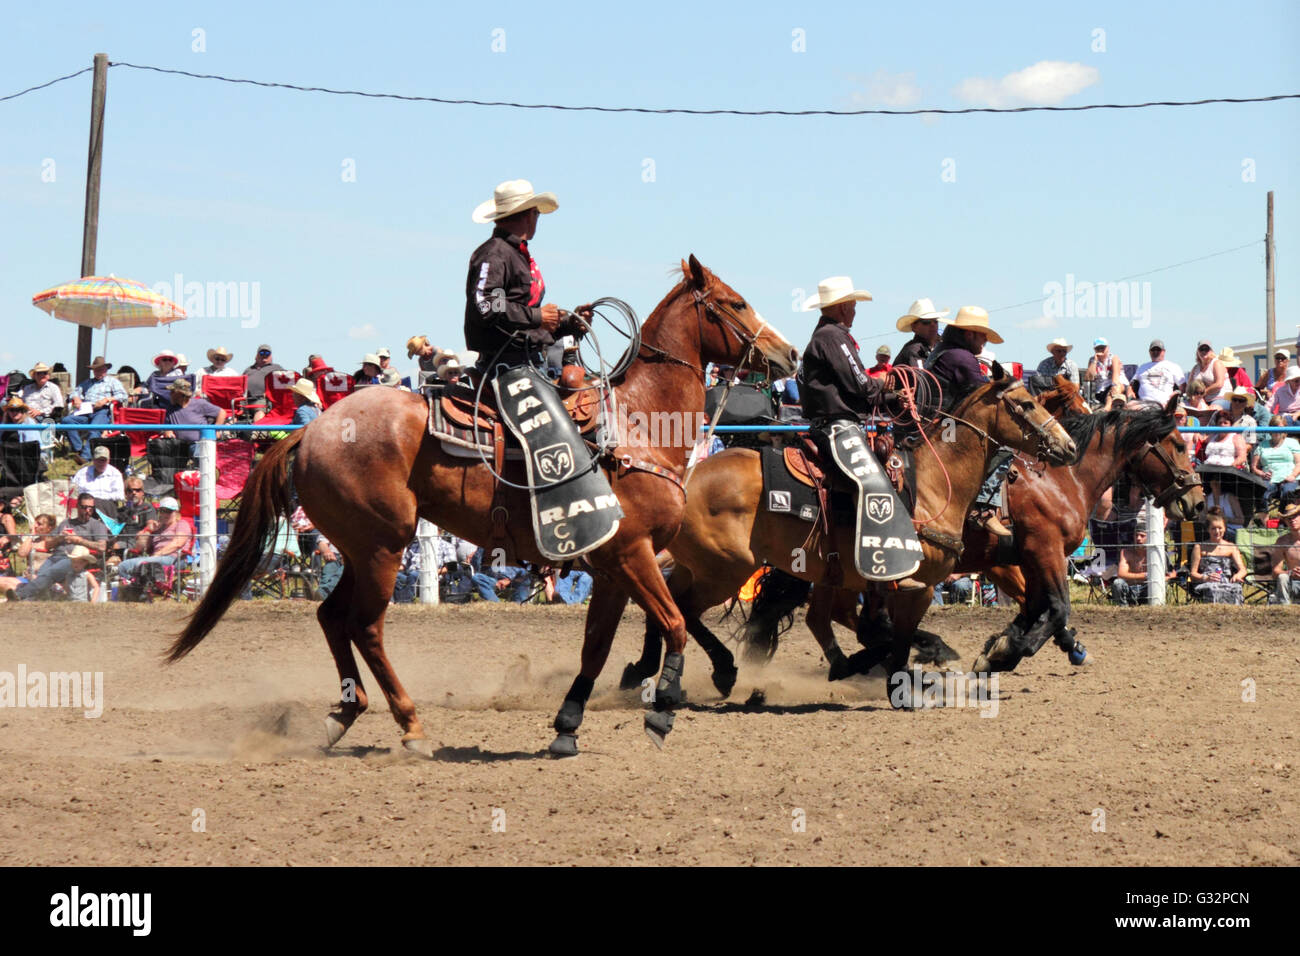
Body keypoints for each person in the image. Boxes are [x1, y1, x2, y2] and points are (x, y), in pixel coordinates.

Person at [926, 305, 1011, 536]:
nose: (985, 340)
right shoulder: (962, 357)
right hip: (947, 427)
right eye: (982, 335)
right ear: (969, 333)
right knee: (1005, 447)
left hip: (937, 422)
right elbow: (985, 395)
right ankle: (982, 507)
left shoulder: (943, 351)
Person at [7, 494, 108, 600]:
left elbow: (102, 547)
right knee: (41, 575)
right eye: (84, 507)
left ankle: (19, 595)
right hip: (55, 556)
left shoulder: (97, 525)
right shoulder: (67, 522)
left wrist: (78, 540)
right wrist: (60, 538)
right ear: (77, 506)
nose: (87, 510)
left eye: (91, 508)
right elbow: (48, 543)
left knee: (49, 573)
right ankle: (27, 600)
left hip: (74, 558)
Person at [116, 496, 193, 594]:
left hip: (174, 558)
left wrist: (158, 554)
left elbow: (178, 543)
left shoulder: (181, 524)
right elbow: (140, 548)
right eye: (162, 510)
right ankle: (136, 588)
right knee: (122, 566)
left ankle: (142, 590)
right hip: (154, 559)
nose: (165, 514)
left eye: (168, 511)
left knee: (143, 564)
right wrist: (149, 531)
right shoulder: (158, 528)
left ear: (176, 512)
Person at [63, 356, 128, 463]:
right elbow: (75, 392)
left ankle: (85, 457)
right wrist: (76, 398)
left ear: (106, 369)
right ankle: (79, 449)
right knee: (67, 421)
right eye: (96, 369)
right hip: (86, 410)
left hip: (102, 411)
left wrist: (106, 399)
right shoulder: (87, 382)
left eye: (101, 369)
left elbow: (123, 395)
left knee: (95, 429)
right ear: (93, 370)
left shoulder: (112, 381)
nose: (99, 372)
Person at [1189, 506, 1246, 603]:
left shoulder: (1231, 547)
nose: (1217, 532)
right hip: (1207, 582)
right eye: (1213, 528)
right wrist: (1205, 578)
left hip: (1226, 582)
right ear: (1208, 530)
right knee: (1214, 589)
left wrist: (1237, 576)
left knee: (1236, 589)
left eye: (1220, 528)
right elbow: (1193, 573)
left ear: (1225, 528)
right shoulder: (1199, 547)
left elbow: (1243, 569)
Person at [1110, 527, 1177, 605]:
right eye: (1136, 535)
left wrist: (1161, 578)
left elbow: (1172, 574)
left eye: (1142, 536)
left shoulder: (1158, 553)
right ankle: (1123, 608)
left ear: (1149, 537)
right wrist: (1145, 575)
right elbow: (1121, 574)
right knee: (1117, 583)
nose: (1138, 538)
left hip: (1149, 589)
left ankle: (1155, 605)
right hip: (1130, 589)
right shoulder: (1126, 552)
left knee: (1162, 583)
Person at [163, 379, 227, 451]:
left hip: (198, 444)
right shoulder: (170, 408)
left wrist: (216, 430)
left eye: (172, 392)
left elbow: (221, 412)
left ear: (180, 394)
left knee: (199, 453)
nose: (170, 394)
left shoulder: (199, 403)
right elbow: (167, 425)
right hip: (178, 445)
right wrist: (168, 431)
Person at [1252, 415, 1300, 511]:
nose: (1277, 431)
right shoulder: (1262, 445)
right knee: (1261, 491)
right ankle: (1264, 522)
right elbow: (1254, 466)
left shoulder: (1292, 443)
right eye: (1275, 427)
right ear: (1270, 428)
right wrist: (1262, 473)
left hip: (1289, 479)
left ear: (1285, 430)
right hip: (1269, 480)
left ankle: (1283, 520)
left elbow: (1299, 463)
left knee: (1288, 491)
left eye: (1280, 428)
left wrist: (1293, 476)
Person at [109, 478, 158, 566]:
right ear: (126, 493)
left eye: (137, 490)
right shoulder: (121, 511)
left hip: (140, 540)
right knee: (115, 544)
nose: (133, 493)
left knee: (144, 537)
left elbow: (151, 525)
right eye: (130, 490)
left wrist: (143, 531)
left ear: (142, 492)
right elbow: (114, 529)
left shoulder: (148, 508)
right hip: (124, 540)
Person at [894, 298, 947, 369]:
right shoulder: (914, 351)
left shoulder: (938, 347)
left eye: (935, 321)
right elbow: (921, 378)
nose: (933, 325)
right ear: (914, 327)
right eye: (926, 322)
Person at [1130, 339, 1185, 405]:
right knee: (1127, 407)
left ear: (1164, 351)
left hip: (1165, 404)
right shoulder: (1142, 367)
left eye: (1158, 350)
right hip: (1143, 404)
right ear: (1149, 352)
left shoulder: (1173, 366)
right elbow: (1131, 385)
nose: (1155, 352)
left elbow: (1183, 386)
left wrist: (1176, 393)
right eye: (1153, 350)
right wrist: (1130, 392)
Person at [1084, 337, 1129, 409]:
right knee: (1113, 392)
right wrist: (1095, 361)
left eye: (1102, 348)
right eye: (1098, 348)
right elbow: (1088, 378)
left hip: (1116, 386)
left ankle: (1107, 408)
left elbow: (1116, 377)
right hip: (1101, 390)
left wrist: (1114, 387)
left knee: (1116, 387)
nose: (1100, 350)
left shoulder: (1113, 358)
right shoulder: (1092, 360)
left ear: (1108, 348)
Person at [241, 344, 284, 420]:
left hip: (262, 399)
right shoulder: (249, 369)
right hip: (245, 399)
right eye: (261, 353)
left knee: (260, 410)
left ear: (271, 356)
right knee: (233, 409)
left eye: (267, 353)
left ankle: (257, 431)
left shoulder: (276, 368)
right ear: (256, 356)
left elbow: (285, 384)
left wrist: (270, 393)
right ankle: (225, 431)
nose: (264, 355)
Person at [1269, 502, 1300, 604]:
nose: (1292, 520)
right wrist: (1290, 573)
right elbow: (1275, 571)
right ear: (1285, 521)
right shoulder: (1282, 542)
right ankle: (1284, 607)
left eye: (1295, 516)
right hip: (1292, 582)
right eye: (1288, 518)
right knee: (1282, 577)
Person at [1188, 339, 1227, 404]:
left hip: (1220, 398)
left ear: (1211, 351)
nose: (1204, 351)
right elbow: (1189, 387)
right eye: (1201, 349)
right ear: (1197, 352)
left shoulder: (1216, 363)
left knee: (1212, 410)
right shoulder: (1195, 368)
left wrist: (1202, 393)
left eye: (1206, 349)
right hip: (1201, 401)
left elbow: (1219, 384)